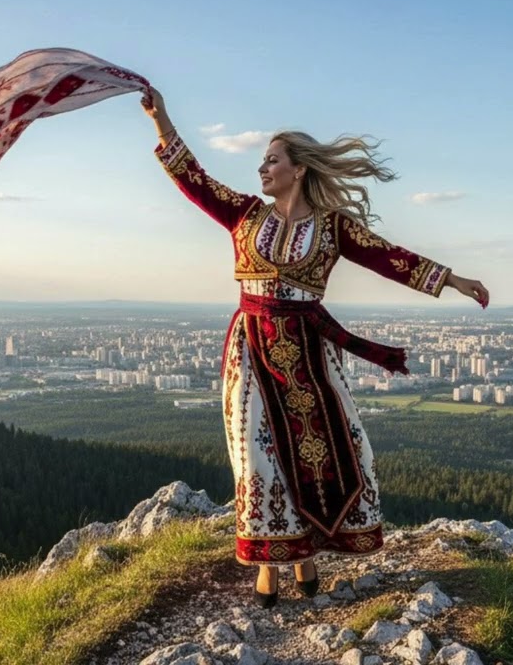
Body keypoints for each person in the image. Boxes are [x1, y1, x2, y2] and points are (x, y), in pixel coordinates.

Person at [142, 87, 489, 608]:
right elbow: (192, 178)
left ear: (298, 168)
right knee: (257, 455)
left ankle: (302, 554)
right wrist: (161, 119)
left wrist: (453, 280)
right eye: (262, 161)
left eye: (271, 160)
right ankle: (270, 562)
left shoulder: (332, 228)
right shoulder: (244, 215)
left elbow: (388, 257)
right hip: (253, 348)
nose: (262, 169)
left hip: (309, 351)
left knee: (318, 452)